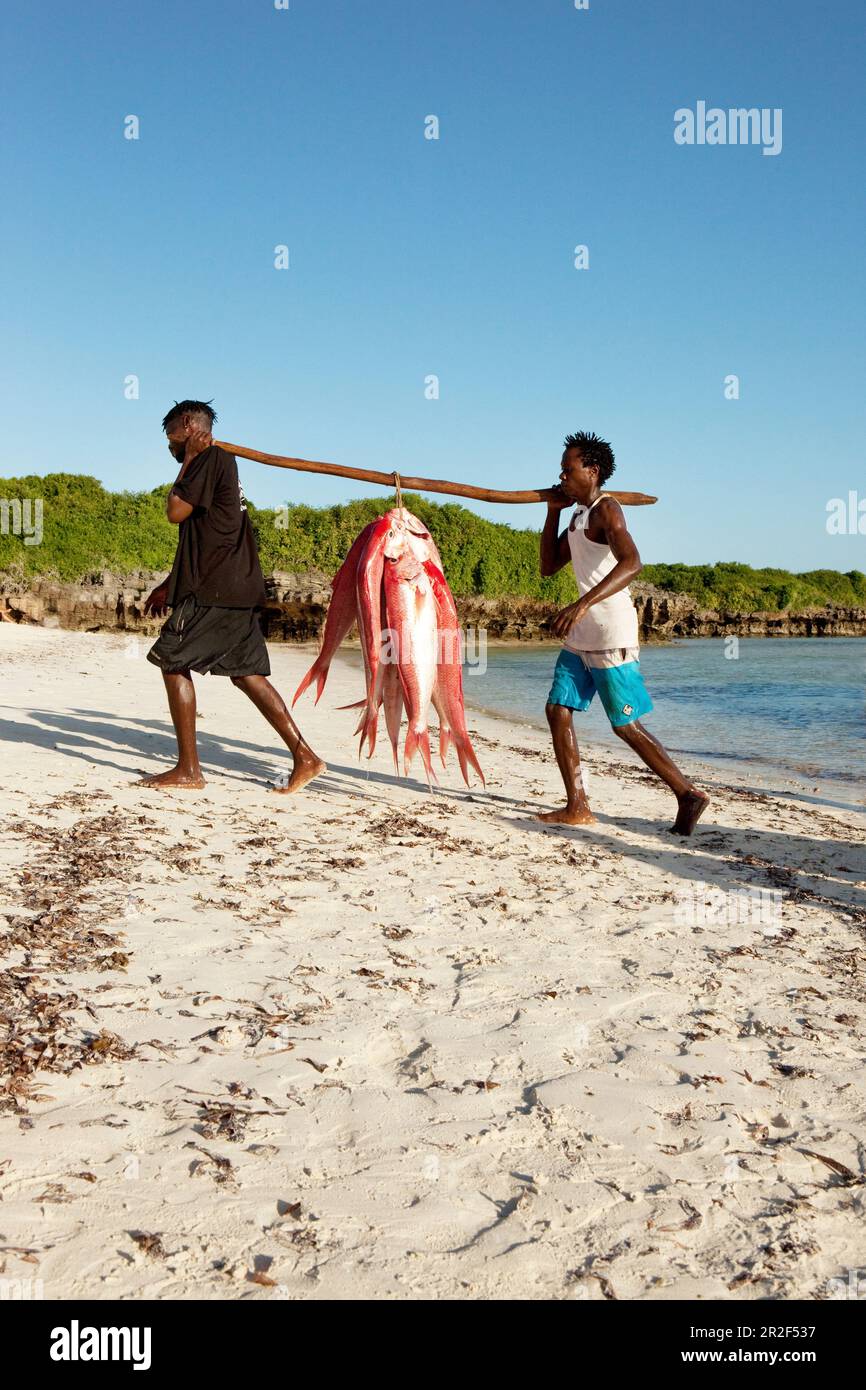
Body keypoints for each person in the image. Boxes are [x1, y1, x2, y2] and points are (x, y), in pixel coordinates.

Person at [141, 399, 325, 794]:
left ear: (188, 425)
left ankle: (189, 770)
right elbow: (209, 534)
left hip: (215, 589)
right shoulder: (222, 465)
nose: (169, 446)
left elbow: (175, 511)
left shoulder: (208, 462)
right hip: (235, 585)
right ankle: (305, 757)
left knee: (171, 660)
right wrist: (168, 583)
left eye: (171, 435)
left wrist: (190, 458)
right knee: (247, 674)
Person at [538, 430, 708, 835]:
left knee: (624, 725)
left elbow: (633, 563)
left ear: (591, 471)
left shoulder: (606, 510)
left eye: (568, 469)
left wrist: (580, 604)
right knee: (557, 710)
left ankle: (687, 794)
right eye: (561, 470)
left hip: (611, 631)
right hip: (582, 634)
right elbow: (548, 566)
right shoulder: (578, 515)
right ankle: (576, 804)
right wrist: (552, 510)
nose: (561, 476)